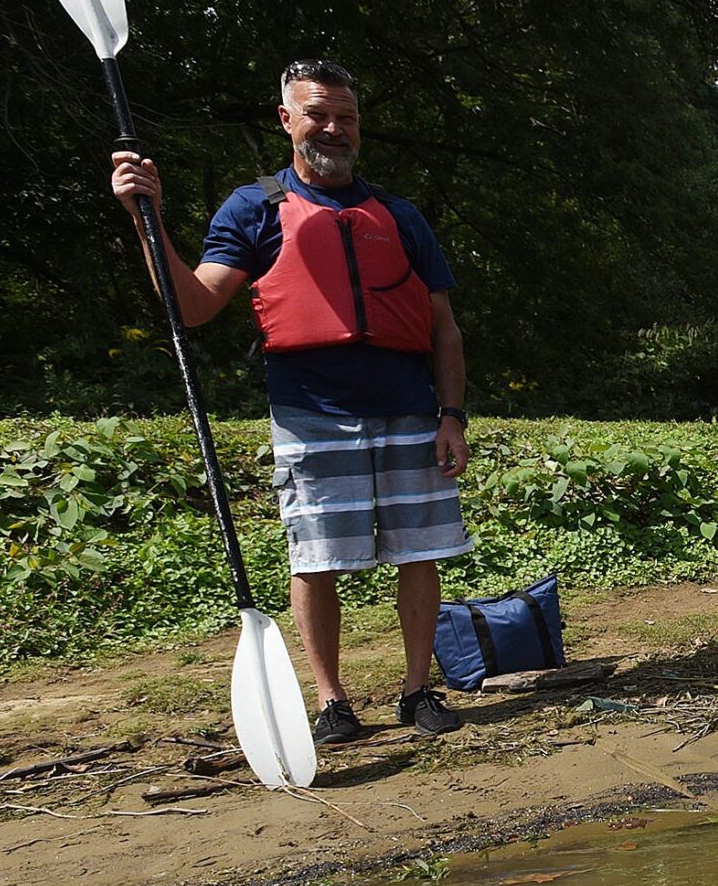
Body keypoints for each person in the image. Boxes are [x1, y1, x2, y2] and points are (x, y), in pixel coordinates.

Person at [109, 58, 471, 745]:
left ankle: (417, 689)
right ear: (287, 120)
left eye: (346, 118)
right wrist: (144, 216)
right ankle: (333, 701)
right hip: (310, 412)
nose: (334, 128)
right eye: (318, 115)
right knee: (315, 560)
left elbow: (443, 327)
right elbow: (192, 306)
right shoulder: (254, 206)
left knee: (420, 552)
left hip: (407, 407)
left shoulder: (398, 214)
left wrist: (451, 415)